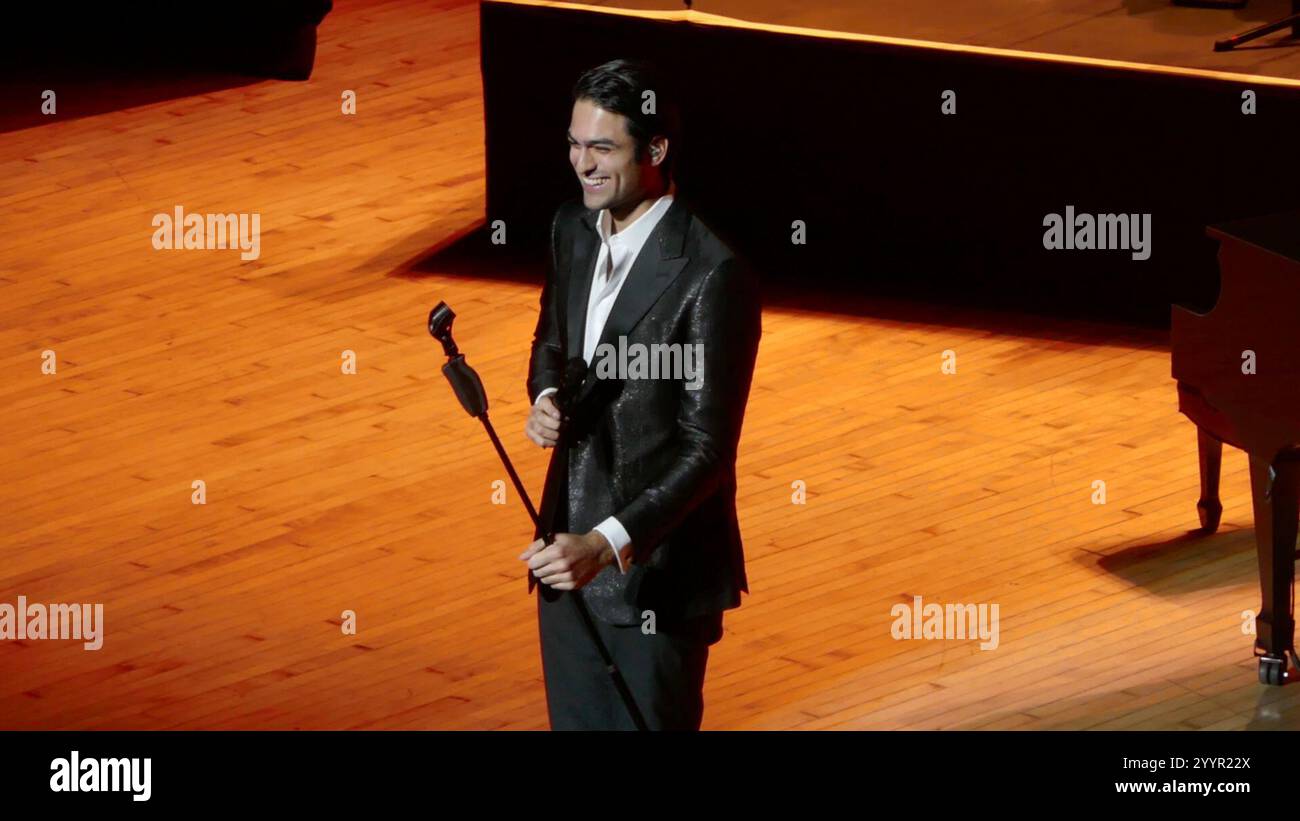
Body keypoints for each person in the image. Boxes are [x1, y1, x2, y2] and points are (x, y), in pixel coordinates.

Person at [519, 58, 762, 730]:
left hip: (657, 576)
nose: (582, 164)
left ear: (655, 150)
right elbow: (551, 340)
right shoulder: (571, 228)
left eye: (603, 148)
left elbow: (706, 450)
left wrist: (604, 545)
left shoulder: (713, 274)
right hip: (565, 562)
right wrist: (545, 395)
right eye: (574, 144)